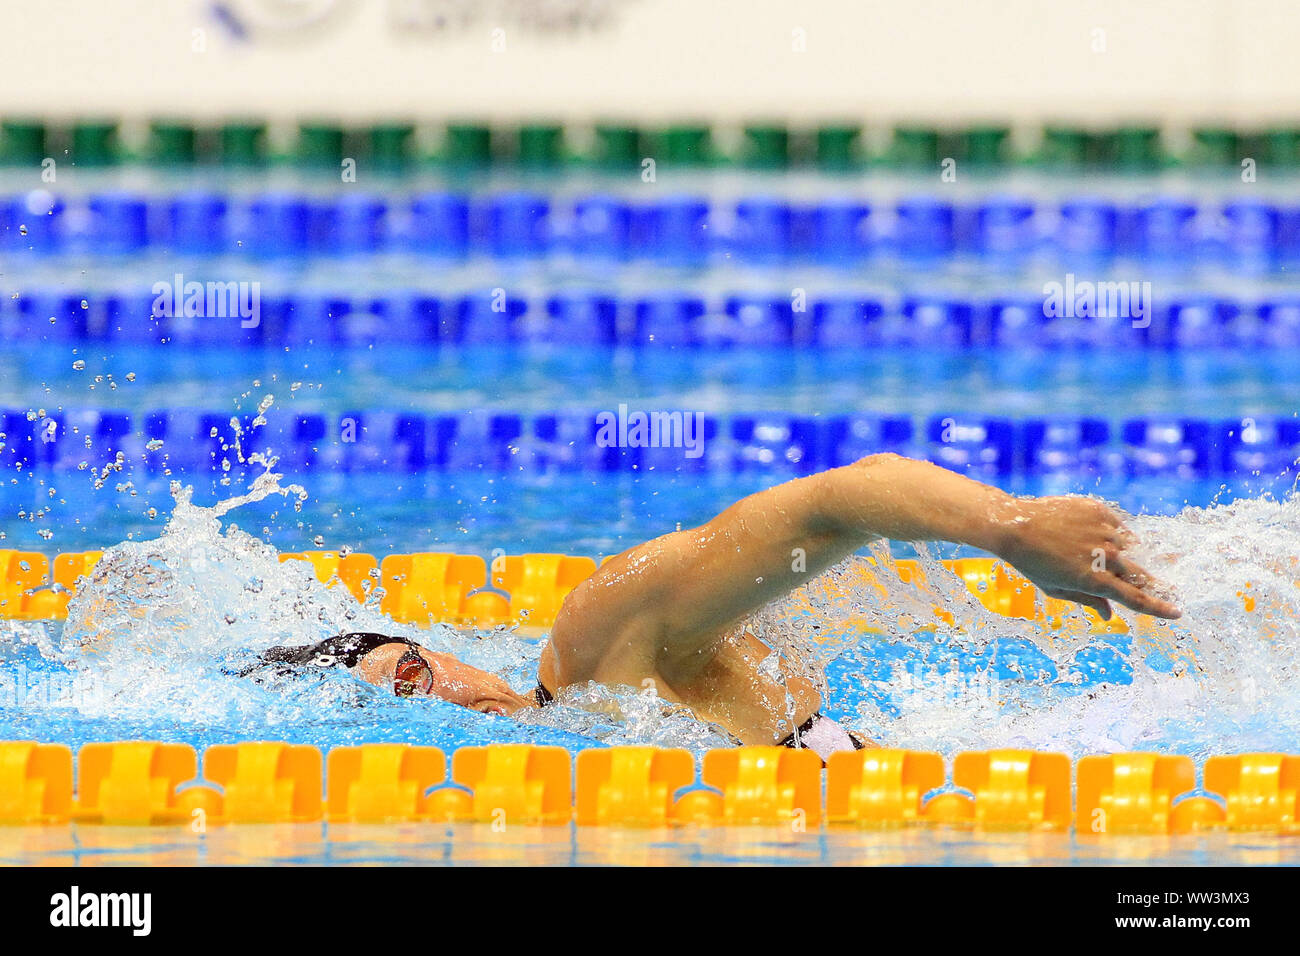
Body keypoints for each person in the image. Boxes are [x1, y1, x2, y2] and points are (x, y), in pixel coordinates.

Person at [250, 453, 1180, 760]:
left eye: (412, 674)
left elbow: (831, 502)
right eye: (398, 714)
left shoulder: (592, 656)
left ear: (440, 651)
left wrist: (1008, 526)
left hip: (1102, 740)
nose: (436, 706)